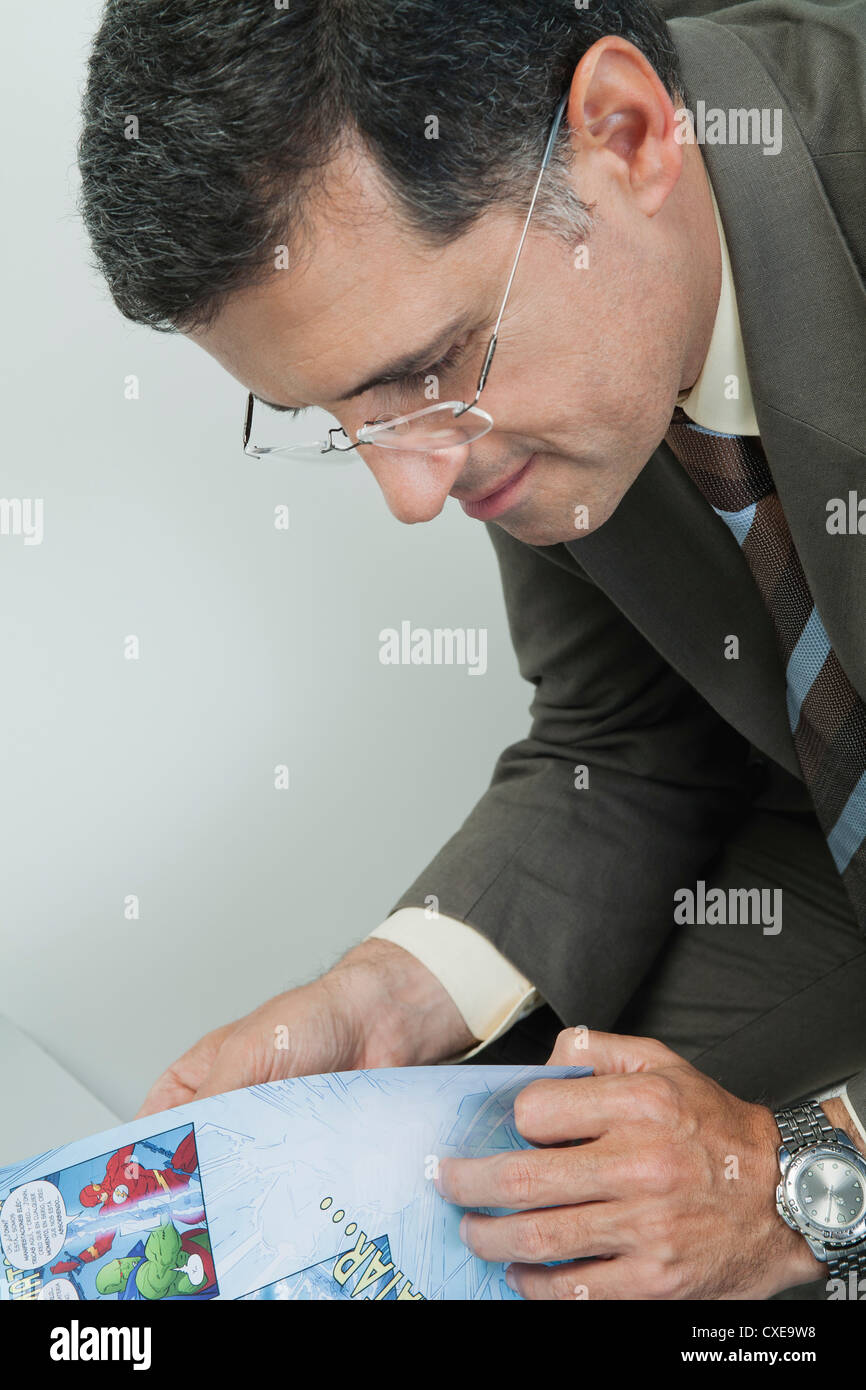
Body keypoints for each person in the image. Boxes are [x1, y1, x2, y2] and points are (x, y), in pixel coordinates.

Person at [77, 0, 866, 1298]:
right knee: (519, 1210)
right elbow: (623, 744)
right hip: (812, 864)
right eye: (338, 416)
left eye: (435, 367)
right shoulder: (550, 373)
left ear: (625, 136)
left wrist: (796, 1187)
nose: (408, 485)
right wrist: (381, 994)